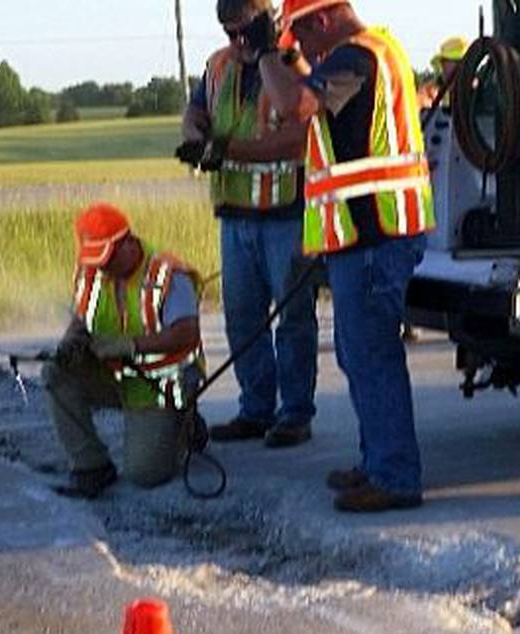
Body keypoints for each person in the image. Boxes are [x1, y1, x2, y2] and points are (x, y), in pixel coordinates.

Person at [259, 0, 434, 513]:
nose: (304, 55)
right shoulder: (369, 54)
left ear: (321, 21)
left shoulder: (354, 58)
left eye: (302, 42)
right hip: (366, 236)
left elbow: (295, 108)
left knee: (372, 357)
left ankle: (395, 476)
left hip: (377, 237)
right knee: (360, 356)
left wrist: (270, 52)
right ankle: (378, 461)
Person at [179, 0, 319, 450]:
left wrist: (225, 150)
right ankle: (256, 409)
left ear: (267, 21)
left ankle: (295, 414)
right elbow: (195, 111)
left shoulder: (294, 62)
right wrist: (195, 135)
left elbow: (297, 137)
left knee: (293, 318)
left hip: (285, 213)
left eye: (245, 31)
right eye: (229, 33)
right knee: (242, 319)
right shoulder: (218, 65)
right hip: (234, 215)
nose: (237, 42)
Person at [43, 203, 206, 499]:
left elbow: (187, 334)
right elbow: (83, 316)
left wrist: (131, 345)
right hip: (117, 376)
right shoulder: (91, 273)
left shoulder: (168, 274)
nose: (102, 267)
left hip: (162, 386)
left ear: (128, 243)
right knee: (56, 373)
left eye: (107, 258)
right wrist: (71, 342)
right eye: (96, 260)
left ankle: (186, 424)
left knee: (144, 476)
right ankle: (91, 466)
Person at [419, 36, 468, 111]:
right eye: (442, 62)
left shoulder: (477, 97)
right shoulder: (429, 94)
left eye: (445, 61)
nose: (442, 67)